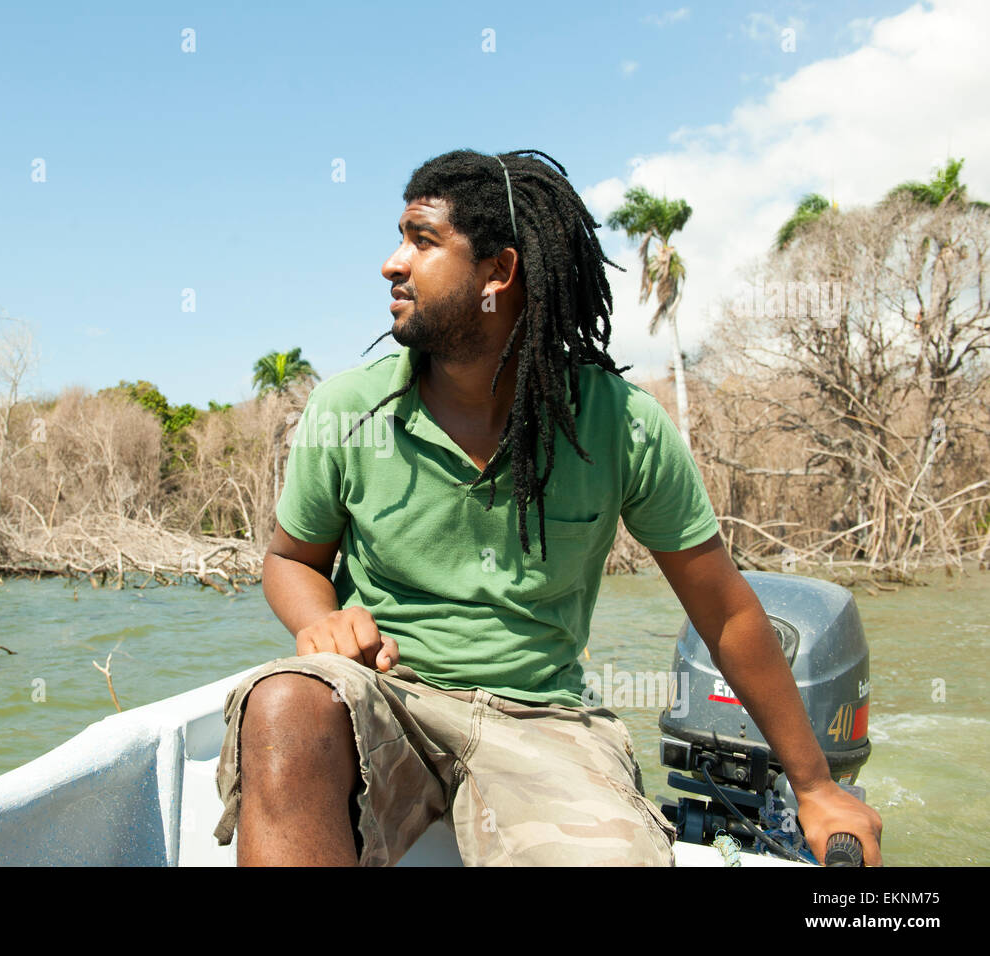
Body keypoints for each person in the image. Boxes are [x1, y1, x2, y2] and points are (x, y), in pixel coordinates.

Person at [213, 148, 884, 866]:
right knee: (284, 700)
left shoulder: (619, 424)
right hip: (388, 695)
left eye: (422, 239)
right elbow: (290, 558)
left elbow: (725, 611)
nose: (391, 263)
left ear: (498, 274)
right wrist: (322, 621)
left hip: (544, 718)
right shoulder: (347, 409)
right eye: (399, 237)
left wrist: (814, 787)